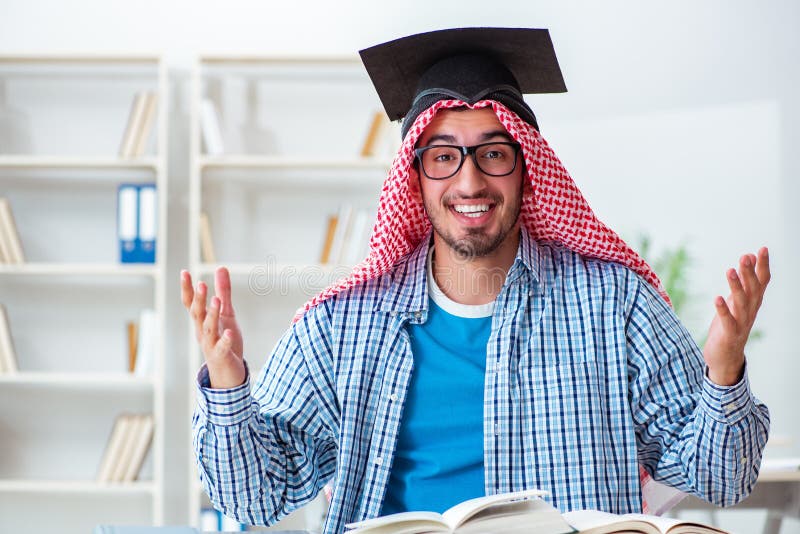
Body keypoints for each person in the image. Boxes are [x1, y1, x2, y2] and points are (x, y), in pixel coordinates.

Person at [182, 28, 770, 534]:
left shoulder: (616, 305)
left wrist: (723, 372)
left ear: (528, 169)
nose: (469, 182)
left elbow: (722, 477)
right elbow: (254, 500)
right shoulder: (342, 324)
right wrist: (230, 390)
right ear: (415, 177)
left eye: (494, 154)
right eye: (443, 157)